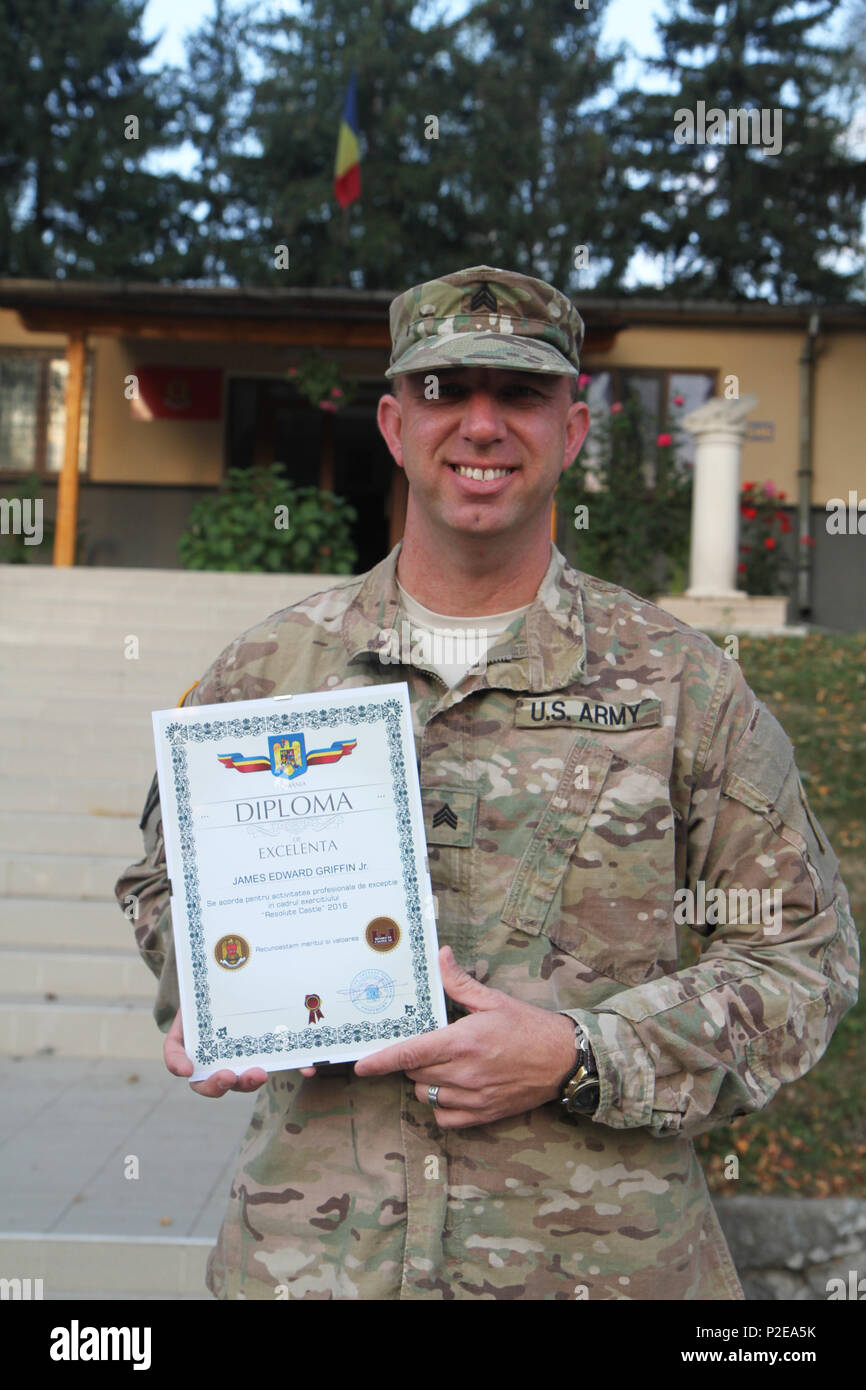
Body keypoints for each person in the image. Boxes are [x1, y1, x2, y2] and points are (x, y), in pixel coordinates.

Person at [115, 264, 859, 1301]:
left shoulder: (680, 684)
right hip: (315, 1265)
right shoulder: (267, 672)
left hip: (596, 1267)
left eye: (516, 394)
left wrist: (580, 1052)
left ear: (572, 429)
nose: (478, 425)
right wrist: (216, 985)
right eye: (441, 390)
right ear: (390, 421)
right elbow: (162, 886)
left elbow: (802, 959)